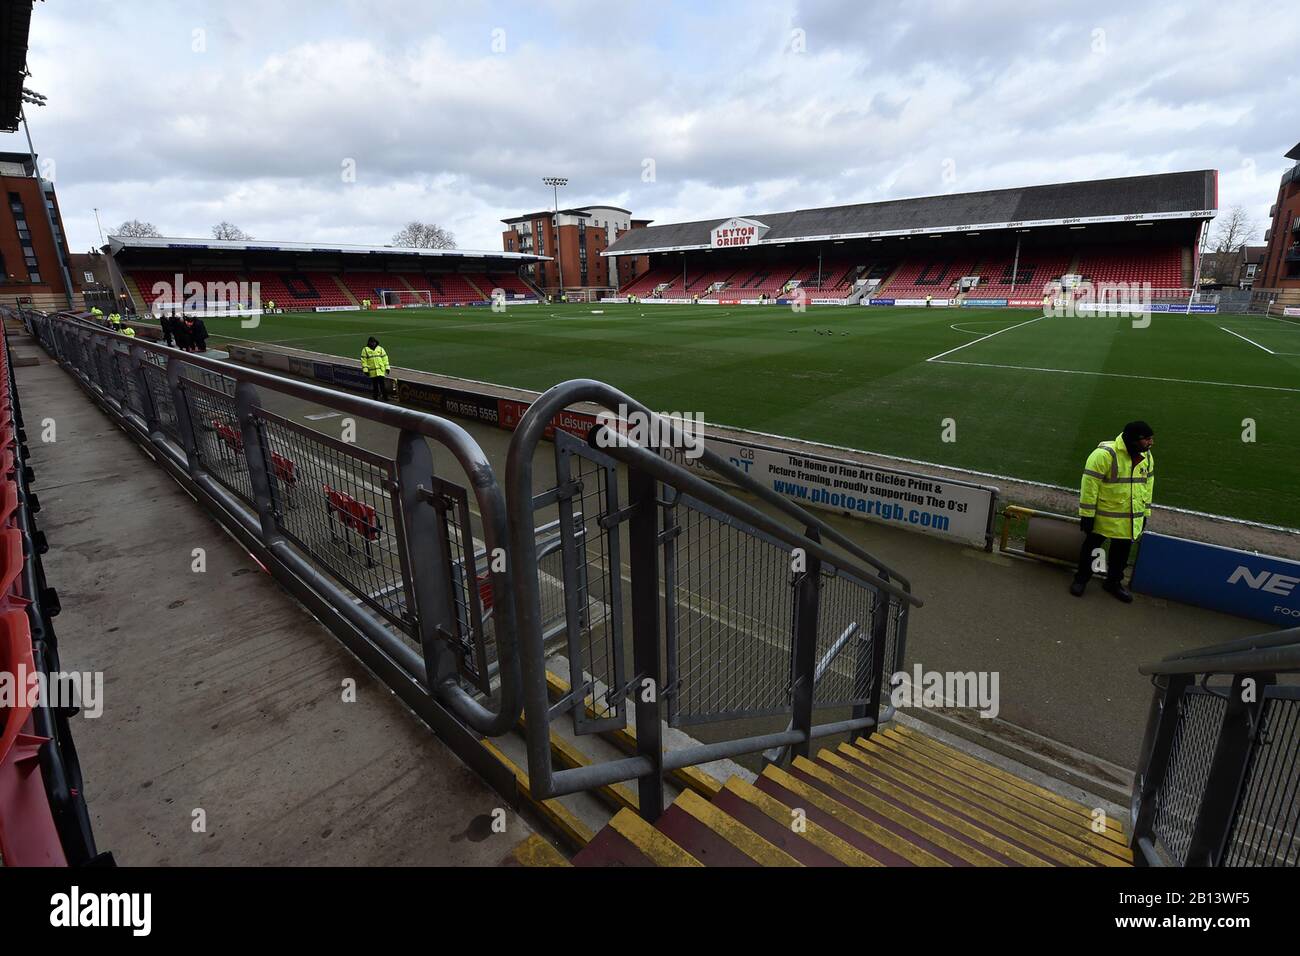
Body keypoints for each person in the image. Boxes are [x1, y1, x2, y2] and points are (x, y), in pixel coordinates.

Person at [1071, 421, 1155, 602]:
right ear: (1134, 440)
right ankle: (1081, 579)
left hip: (1129, 519)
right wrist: (1087, 515)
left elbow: (1148, 485)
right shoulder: (1104, 455)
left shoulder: (1146, 456)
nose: (1151, 443)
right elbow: (1089, 486)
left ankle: (1113, 582)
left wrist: (1145, 514)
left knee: (1121, 554)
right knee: (1091, 549)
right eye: (1147, 439)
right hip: (1104, 517)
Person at [360, 336, 390, 401]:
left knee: (382, 385)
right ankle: (375, 397)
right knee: (375, 386)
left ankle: (385, 397)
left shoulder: (380, 349)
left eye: (374, 342)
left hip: (380, 371)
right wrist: (365, 370)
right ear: (369, 343)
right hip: (372, 372)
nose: (373, 343)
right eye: (372, 342)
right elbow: (363, 361)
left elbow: (385, 359)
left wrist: (387, 368)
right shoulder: (365, 350)